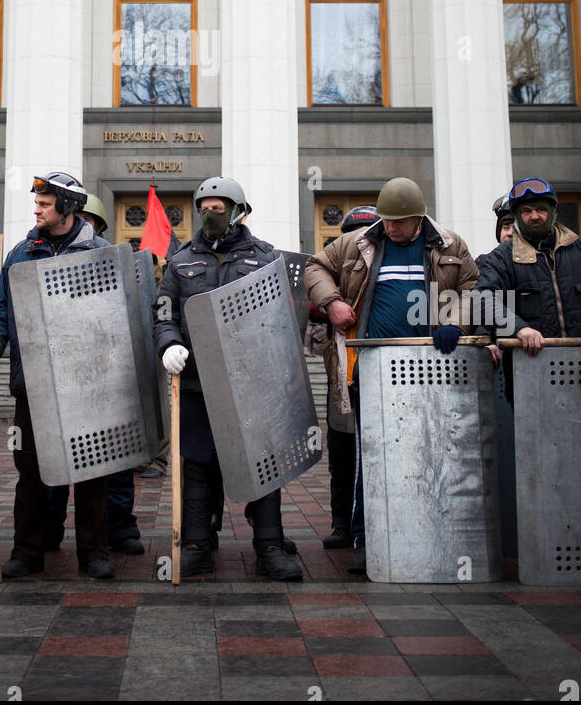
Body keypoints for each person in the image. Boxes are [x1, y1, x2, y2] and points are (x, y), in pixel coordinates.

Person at [304, 177, 478, 575]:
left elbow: (473, 287)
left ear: (419, 218)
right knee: (375, 456)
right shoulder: (357, 242)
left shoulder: (451, 245)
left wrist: (455, 321)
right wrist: (331, 302)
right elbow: (316, 267)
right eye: (386, 221)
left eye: (399, 223)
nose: (391, 228)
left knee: (427, 454)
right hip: (372, 370)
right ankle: (368, 539)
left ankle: (425, 533)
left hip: (430, 370)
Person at [155, 176, 303, 581]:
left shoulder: (266, 257)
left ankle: (270, 547)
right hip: (198, 383)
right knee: (198, 465)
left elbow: (283, 319)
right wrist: (169, 343)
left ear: (239, 211)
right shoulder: (181, 261)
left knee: (263, 464)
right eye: (204, 207)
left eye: (219, 208)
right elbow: (164, 311)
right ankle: (197, 545)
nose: (210, 214)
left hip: (252, 385)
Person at [0, 173, 114, 580]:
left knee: (91, 473)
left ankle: (94, 554)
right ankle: (27, 552)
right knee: (31, 474)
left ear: (68, 208)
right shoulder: (22, 254)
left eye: (45, 203)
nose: (36, 209)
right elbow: (0, 306)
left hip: (87, 388)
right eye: (36, 203)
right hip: (33, 386)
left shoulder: (100, 253)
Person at [44, 193, 145, 557]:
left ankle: (118, 529)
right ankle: (48, 531)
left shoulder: (113, 260)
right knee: (56, 466)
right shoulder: (46, 257)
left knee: (115, 465)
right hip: (62, 379)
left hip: (106, 379)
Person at [307, 205, 379, 551]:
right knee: (342, 456)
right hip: (342, 378)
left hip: (382, 375)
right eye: (352, 233)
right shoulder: (333, 266)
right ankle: (341, 523)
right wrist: (330, 301)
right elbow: (311, 308)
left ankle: (375, 525)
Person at [475, 177, 581, 353]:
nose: (534, 216)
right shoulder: (501, 258)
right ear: (517, 216)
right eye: (526, 211)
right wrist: (519, 328)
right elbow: (482, 298)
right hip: (528, 366)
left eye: (541, 209)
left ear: (553, 212)